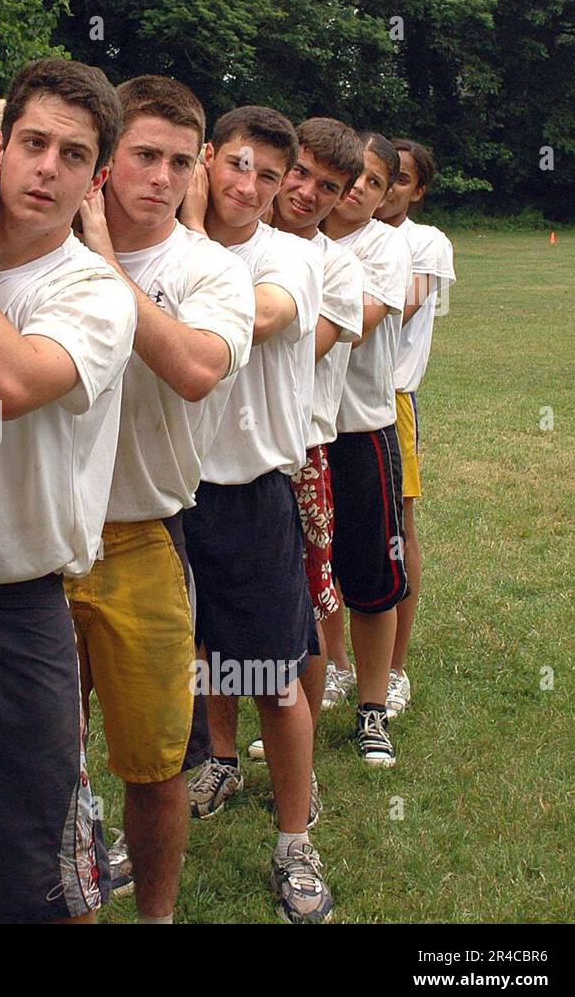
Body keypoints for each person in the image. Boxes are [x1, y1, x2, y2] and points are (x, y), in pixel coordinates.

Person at [0, 57, 135, 923]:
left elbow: (6, 386)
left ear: (95, 179)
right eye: (34, 143)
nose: (48, 167)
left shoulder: (92, 291)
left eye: (74, 154)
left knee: (42, 882)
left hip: (17, 614)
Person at [66, 76, 254, 922]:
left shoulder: (211, 268)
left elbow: (193, 370)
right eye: (144, 155)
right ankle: (58, 897)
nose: (163, 177)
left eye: (181, 162)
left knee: (156, 763)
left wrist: (104, 264)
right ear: (107, 158)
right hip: (37, 538)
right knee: (38, 757)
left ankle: (158, 915)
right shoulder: (36, 242)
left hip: (145, 533)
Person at [179, 106, 333, 923]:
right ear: (208, 158)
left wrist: (181, 239)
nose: (250, 186)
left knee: (273, 679)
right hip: (167, 493)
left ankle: (294, 841)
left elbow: (252, 317)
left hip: (251, 491)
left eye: (268, 176)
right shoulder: (171, 241)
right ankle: (221, 764)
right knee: (203, 657)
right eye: (236, 164)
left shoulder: (292, 259)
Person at [244, 119, 366, 824]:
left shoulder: (336, 266)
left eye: (330, 186)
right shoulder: (225, 237)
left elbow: (297, 348)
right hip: (214, 456)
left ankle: (302, 758)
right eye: (300, 173)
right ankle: (221, 755)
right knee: (214, 619)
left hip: (299, 452)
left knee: (310, 609)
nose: (308, 192)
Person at [321, 131, 413, 767]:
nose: (357, 188)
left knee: (371, 579)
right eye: (351, 174)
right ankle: (322, 678)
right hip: (296, 438)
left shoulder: (385, 247)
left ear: (384, 197)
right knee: (305, 577)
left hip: (360, 433)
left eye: (375, 182)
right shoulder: (289, 231)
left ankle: (372, 708)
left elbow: (355, 326)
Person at [375, 139, 455, 717]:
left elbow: (392, 309)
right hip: (325, 404)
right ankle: (341, 668)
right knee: (325, 535)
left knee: (397, 528)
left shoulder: (424, 243)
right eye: (380, 178)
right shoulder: (333, 236)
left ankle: (395, 668)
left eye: (400, 180)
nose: (387, 189)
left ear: (417, 190)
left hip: (390, 399)